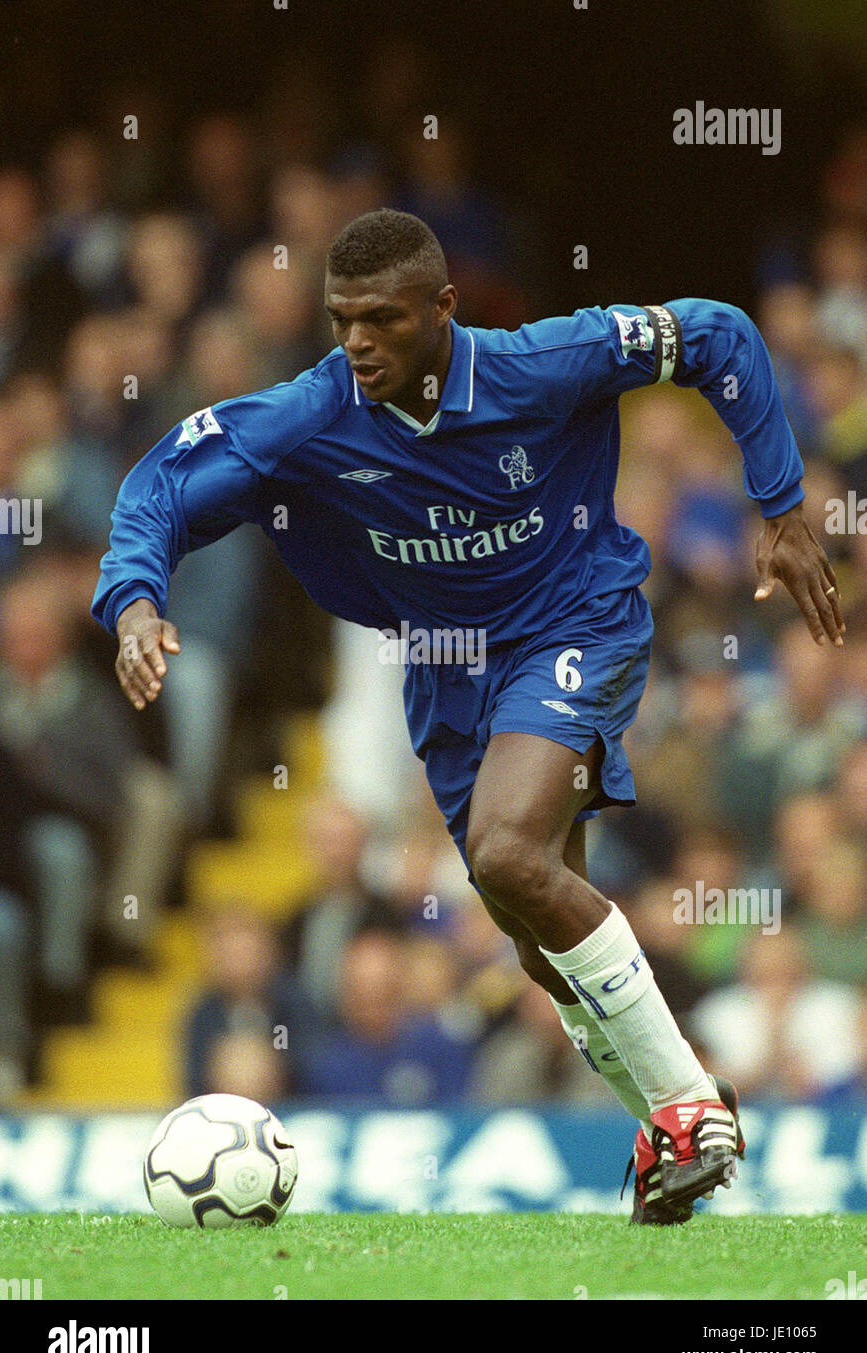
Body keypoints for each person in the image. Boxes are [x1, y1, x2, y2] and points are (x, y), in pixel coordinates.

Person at [92, 208, 845, 1225]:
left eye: (382, 320)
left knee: (501, 850)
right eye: (339, 319)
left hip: (575, 620)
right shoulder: (312, 414)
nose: (356, 341)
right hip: (445, 671)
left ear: (442, 310)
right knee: (534, 937)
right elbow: (165, 482)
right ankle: (669, 1140)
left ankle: (687, 1109)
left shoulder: (545, 363)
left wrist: (781, 505)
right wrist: (135, 599)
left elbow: (713, 333)